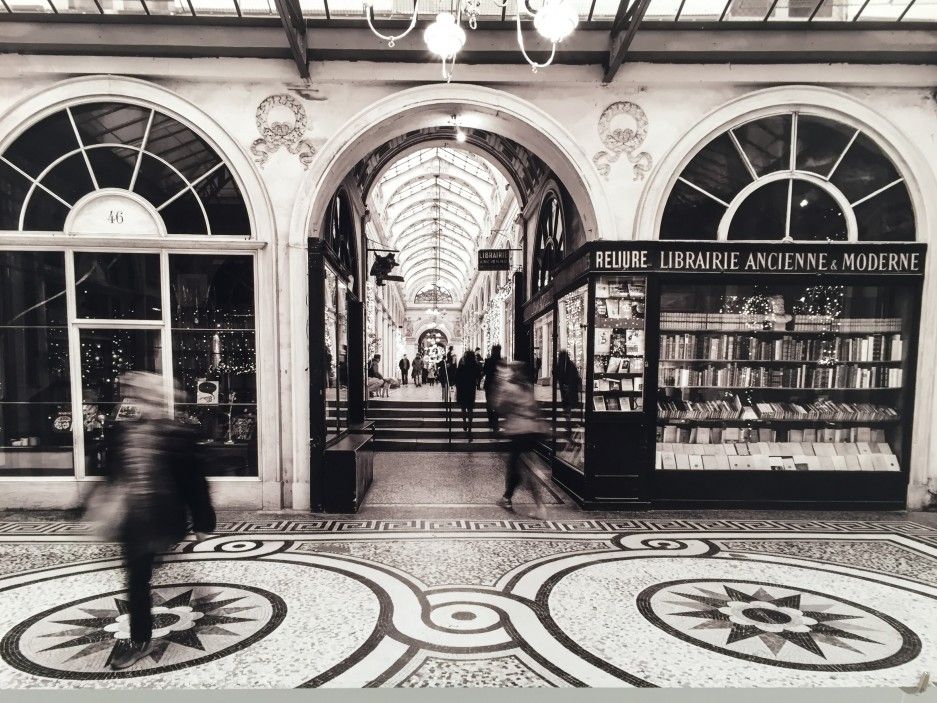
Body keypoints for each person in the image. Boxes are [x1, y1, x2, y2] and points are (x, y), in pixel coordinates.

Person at [97, 371, 215, 671]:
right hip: (133, 519)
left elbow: (195, 482)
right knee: (137, 579)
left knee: (140, 575)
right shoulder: (124, 431)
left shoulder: (179, 435)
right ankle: (139, 638)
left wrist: (203, 522)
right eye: (138, 397)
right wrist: (100, 506)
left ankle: (141, 633)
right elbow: (112, 475)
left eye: (148, 397)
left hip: (162, 518)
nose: (143, 403)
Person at [492, 360, 548, 519]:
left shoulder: (510, 388)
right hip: (530, 430)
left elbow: (499, 406)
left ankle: (540, 506)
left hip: (518, 431)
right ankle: (507, 497)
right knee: (516, 465)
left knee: (524, 468)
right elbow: (534, 408)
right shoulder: (527, 387)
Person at [554, 349, 582, 441]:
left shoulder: (569, 364)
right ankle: (568, 423)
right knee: (567, 406)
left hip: (570, 390)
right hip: (566, 390)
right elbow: (556, 373)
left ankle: (568, 424)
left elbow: (576, 376)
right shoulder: (562, 364)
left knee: (568, 406)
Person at [455, 350, 480, 440]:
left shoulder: (462, 364)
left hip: (462, 388)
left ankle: (464, 421)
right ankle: (469, 428)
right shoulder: (475, 365)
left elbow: (457, 376)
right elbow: (478, 375)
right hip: (471, 389)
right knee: (470, 408)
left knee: (463, 407)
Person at [483, 344, 503, 431]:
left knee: (489, 404)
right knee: (497, 405)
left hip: (489, 384)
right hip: (498, 385)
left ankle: (491, 422)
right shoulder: (501, 362)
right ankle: (495, 423)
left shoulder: (488, 361)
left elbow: (484, 372)